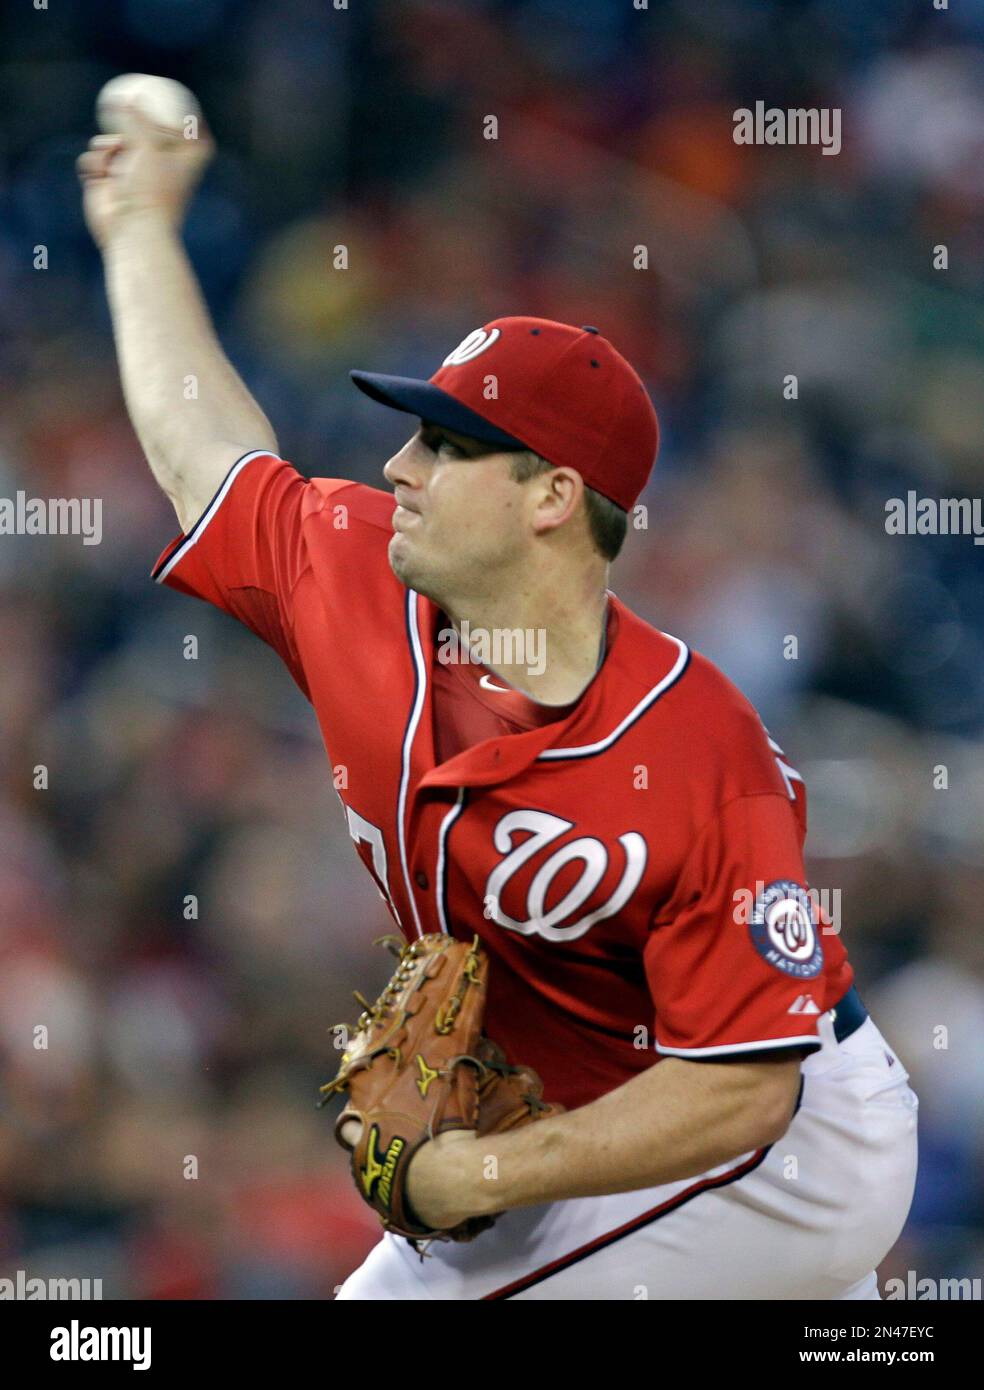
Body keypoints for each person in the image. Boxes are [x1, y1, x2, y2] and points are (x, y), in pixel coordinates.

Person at [77, 107, 918, 1301]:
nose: (396, 469)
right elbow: (200, 444)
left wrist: (475, 1177)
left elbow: (743, 1083)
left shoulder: (695, 752)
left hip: (781, 1146)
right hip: (610, 1125)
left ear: (550, 498)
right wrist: (137, 229)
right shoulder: (355, 579)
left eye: (443, 444)